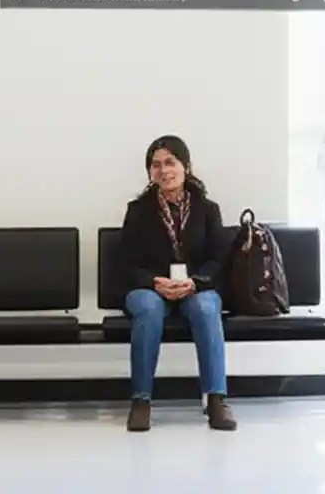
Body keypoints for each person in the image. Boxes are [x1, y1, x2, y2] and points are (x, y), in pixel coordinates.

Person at [118, 135, 236, 433]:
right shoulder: (138, 210)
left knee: (207, 307)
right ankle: (141, 400)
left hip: (194, 288)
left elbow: (218, 258)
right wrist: (153, 282)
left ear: (186, 167)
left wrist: (197, 283)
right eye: (156, 165)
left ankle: (217, 398)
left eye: (170, 162)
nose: (164, 170)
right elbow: (127, 262)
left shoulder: (207, 209)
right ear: (149, 172)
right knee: (147, 307)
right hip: (150, 288)